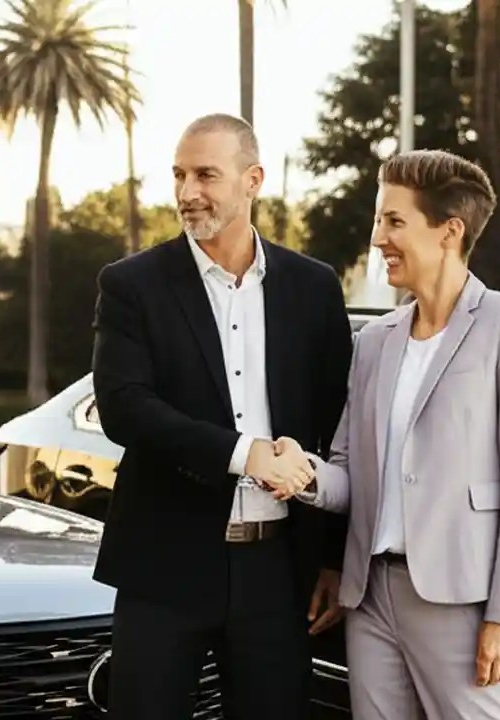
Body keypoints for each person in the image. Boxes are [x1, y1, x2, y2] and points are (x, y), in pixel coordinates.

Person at [89, 112, 354, 720]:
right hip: (163, 564)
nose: (188, 193)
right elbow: (126, 409)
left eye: (206, 175)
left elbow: (342, 430)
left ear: (252, 180)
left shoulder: (312, 288)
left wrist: (336, 559)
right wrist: (244, 454)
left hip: (277, 568)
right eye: (179, 175)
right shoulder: (132, 284)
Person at [274, 149, 500, 718]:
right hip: (371, 597)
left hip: (463, 602)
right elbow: (350, 473)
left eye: (394, 221)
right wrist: (300, 471)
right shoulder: (376, 340)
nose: (378, 237)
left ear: (449, 231)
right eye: (379, 220)